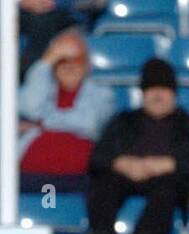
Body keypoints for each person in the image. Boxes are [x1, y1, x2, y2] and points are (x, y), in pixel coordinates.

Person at [86, 58, 189, 234]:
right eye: (152, 89)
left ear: (174, 94)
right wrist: (119, 163)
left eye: (164, 89)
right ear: (142, 94)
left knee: (168, 190)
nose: (158, 95)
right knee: (104, 185)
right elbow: (97, 157)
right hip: (124, 176)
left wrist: (170, 164)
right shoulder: (123, 121)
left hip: (167, 179)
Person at [18, 27, 116, 193]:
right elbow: (30, 108)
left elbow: (88, 123)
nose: (69, 65)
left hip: (77, 178)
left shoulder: (102, 94)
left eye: (76, 60)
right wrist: (46, 61)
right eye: (62, 60)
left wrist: (42, 124)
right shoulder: (41, 91)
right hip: (29, 175)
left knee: (53, 204)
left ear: (87, 66)